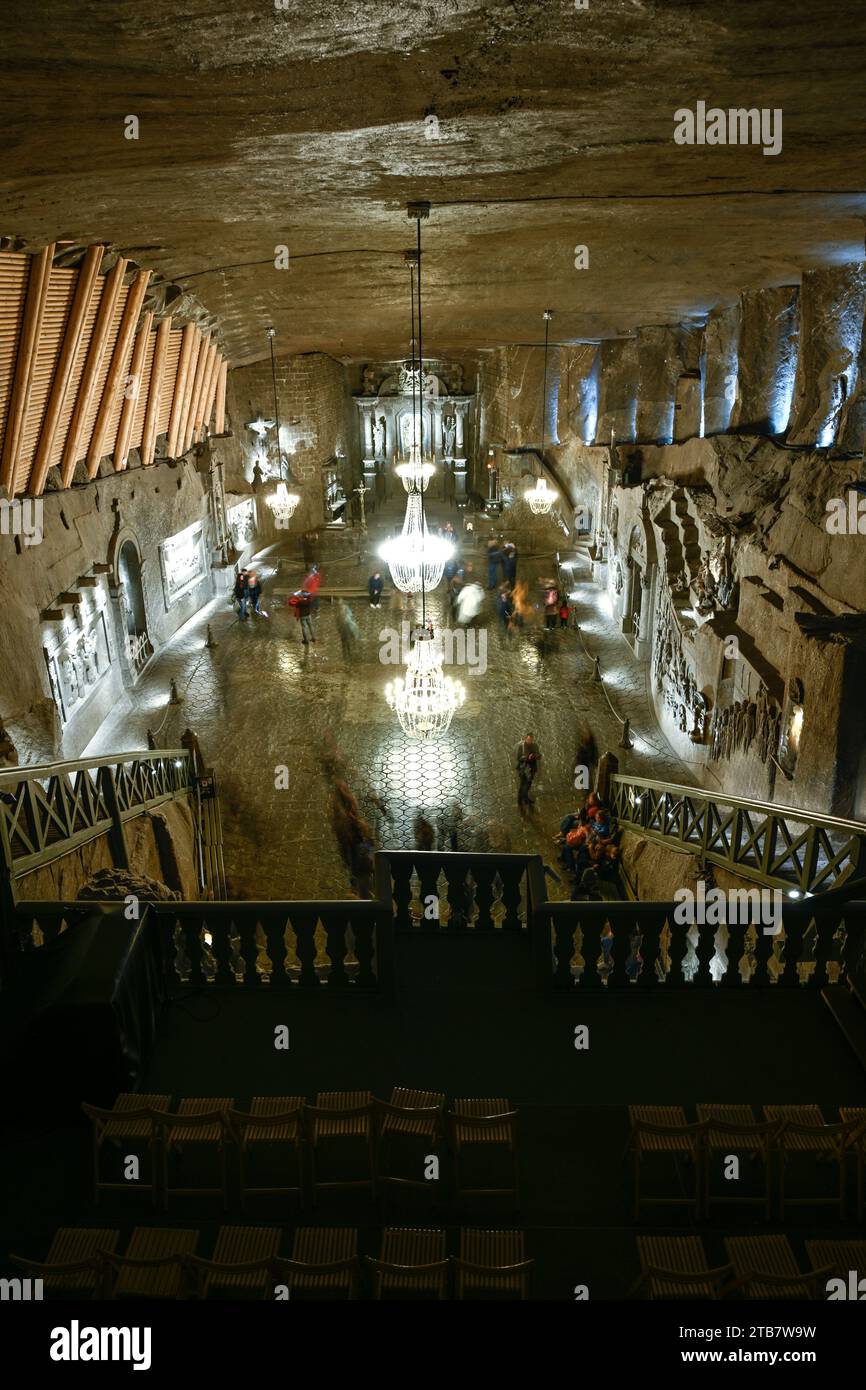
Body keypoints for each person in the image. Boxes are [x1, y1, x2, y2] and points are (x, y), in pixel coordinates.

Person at [331, 780, 375, 898]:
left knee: (362, 885)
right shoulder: (355, 821)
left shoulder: (343, 820)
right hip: (359, 856)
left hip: (357, 857)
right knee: (363, 885)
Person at [517, 748, 538, 815]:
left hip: (528, 778)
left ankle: (524, 800)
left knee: (525, 789)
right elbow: (518, 766)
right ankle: (523, 801)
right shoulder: (524, 759)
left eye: (532, 756)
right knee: (522, 789)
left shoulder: (533, 762)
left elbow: (534, 770)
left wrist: (531, 775)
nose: (531, 757)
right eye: (530, 755)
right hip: (523, 777)